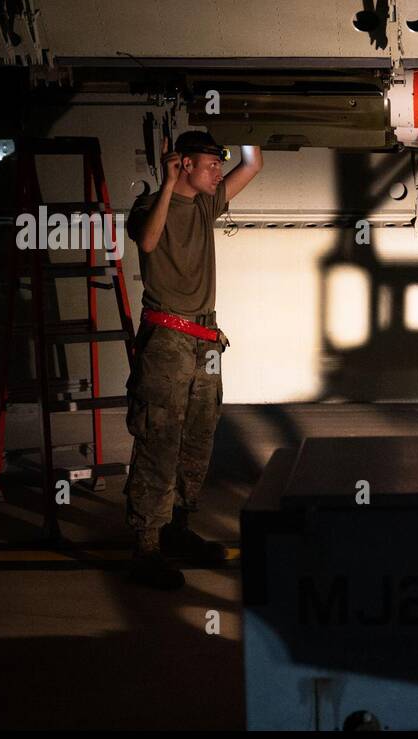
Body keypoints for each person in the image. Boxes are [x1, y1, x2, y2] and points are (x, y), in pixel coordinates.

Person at [123, 131, 263, 589]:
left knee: (197, 443)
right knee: (158, 440)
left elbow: (253, 164)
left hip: (205, 342)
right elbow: (147, 242)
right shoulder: (149, 207)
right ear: (183, 164)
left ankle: (176, 528)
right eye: (209, 165)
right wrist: (166, 184)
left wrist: (250, 120)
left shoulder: (207, 205)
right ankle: (145, 545)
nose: (218, 172)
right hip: (167, 338)